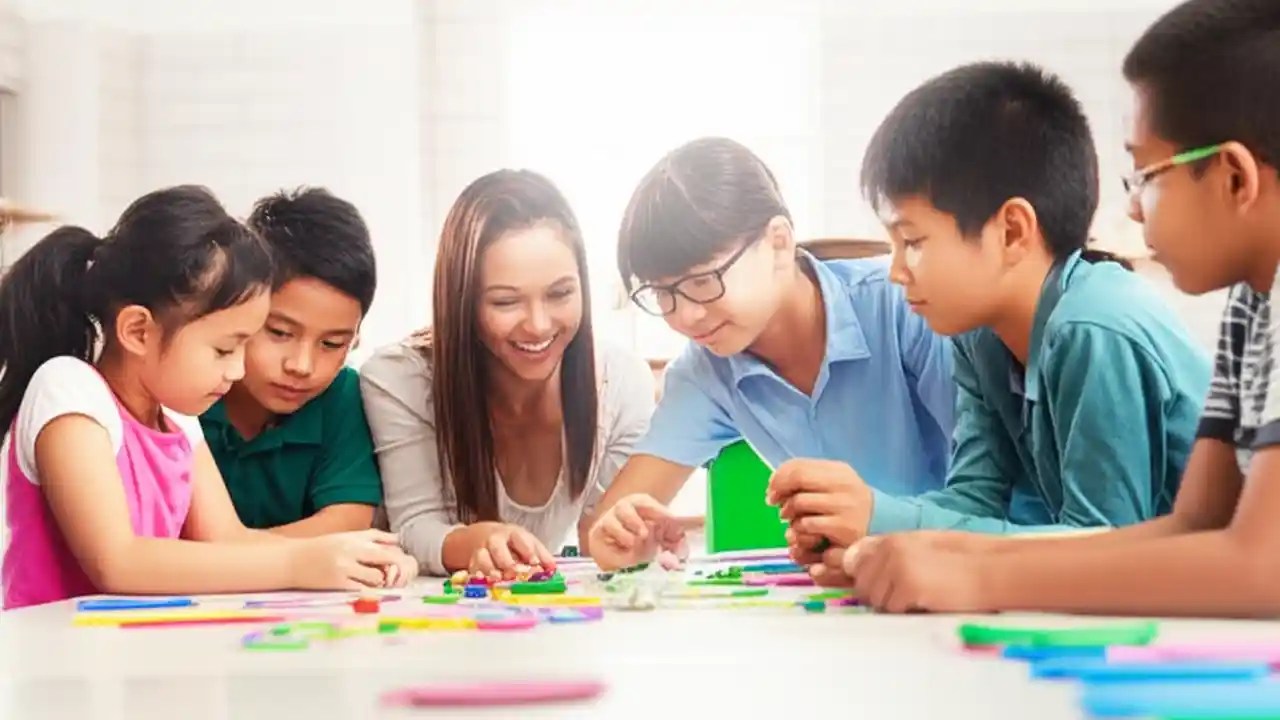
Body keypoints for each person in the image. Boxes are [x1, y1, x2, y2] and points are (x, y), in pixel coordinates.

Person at [834, 0, 1280, 616]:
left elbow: (1263, 569)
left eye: (1146, 174)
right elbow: (1193, 526)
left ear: (1234, 177)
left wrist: (978, 578)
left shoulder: (1097, 325)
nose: (1131, 208)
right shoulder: (1252, 308)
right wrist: (938, 550)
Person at [765, 61, 1211, 582]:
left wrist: (883, 519)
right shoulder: (980, 335)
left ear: (1013, 231)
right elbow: (978, 500)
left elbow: (1104, 545)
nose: (896, 272)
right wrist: (881, 550)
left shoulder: (1093, 329)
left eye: (912, 242)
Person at [0, 185, 415, 610]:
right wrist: (298, 562)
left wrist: (359, 556)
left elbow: (229, 540)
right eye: (224, 349)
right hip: (52, 653)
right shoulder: (70, 393)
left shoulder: (177, 416)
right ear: (138, 331)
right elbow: (119, 561)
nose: (236, 371)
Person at [586, 137, 956, 571]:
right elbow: (613, 521)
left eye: (704, 280)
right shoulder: (706, 368)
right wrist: (623, 537)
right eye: (662, 293)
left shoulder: (905, 306)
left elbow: (1007, 499)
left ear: (778, 242)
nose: (685, 315)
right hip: (861, 593)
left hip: (976, 577)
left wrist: (880, 523)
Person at [360, 170, 654, 578]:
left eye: (560, 293)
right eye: (505, 301)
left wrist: (636, 540)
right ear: (462, 302)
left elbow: (599, 539)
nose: (538, 325)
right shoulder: (398, 379)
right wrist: (481, 541)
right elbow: (415, 526)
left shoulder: (622, 382)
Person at [201, 188, 382, 537]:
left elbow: (346, 522)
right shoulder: (187, 389)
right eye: (280, 332)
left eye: (331, 343)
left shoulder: (341, 397)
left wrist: (231, 552)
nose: (302, 365)